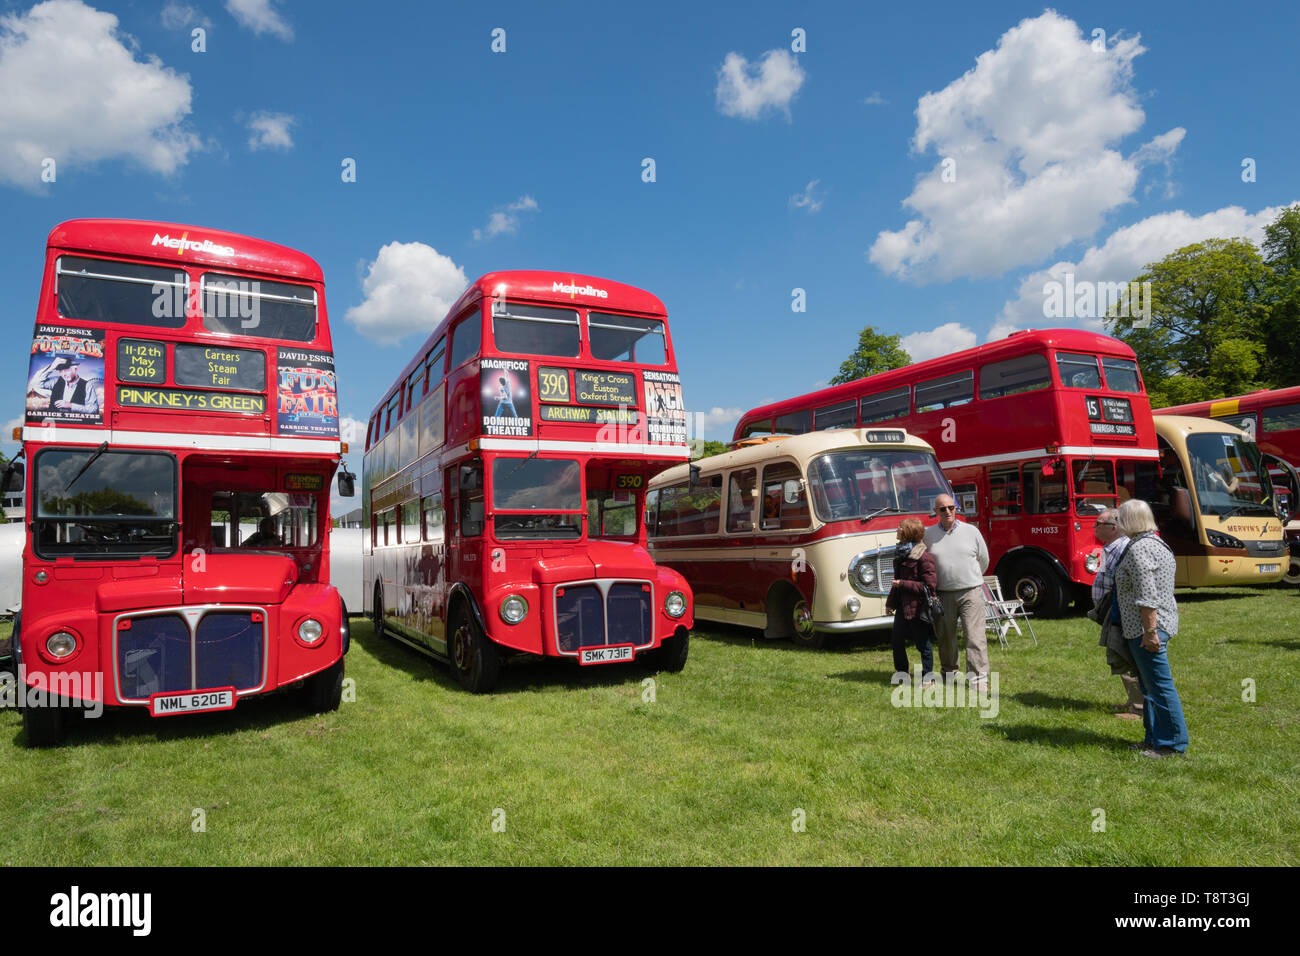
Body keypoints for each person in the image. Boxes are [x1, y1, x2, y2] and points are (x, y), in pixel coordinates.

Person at [1113, 498, 1187, 758]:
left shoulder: (1138, 549)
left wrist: (1150, 632)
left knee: (1159, 687)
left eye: (1119, 518)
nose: (1117, 523)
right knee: (1149, 688)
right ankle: (1154, 738)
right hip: (1152, 625)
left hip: (1146, 629)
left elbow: (1147, 595)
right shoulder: (1157, 543)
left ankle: (1172, 745)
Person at [923, 493, 991, 684]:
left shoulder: (972, 531)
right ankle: (949, 673)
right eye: (942, 509)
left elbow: (983, 559)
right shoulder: (928, 535)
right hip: (942, 594)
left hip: (971, 592)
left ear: (956, 508)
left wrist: (971, 577)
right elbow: (922, 562)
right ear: (935, 511)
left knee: (975, 637)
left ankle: (978, 678)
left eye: (951, 507)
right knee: (945, 637)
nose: (948, 512)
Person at [1090, 508, 1143, 719]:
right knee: (1119, 654)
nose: (1094, 527)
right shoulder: (1109, 548)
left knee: (1123, 654)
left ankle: (1138, 708)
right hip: (1111, 610)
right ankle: (1134, 702)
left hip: (1121, 611)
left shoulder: (1122, 550)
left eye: (1098, 523)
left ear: (1113, 528)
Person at [885, 517, 937, 685]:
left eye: (900, 527)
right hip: (902, 607)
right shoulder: (901, 554)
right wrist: (890, 604)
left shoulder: (923, 556)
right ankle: (902, 675)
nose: (897, 529)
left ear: (908, 532)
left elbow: (929, 587)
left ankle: (928, 678)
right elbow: (896, 582)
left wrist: (903, 584)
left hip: (918, 608)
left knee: (923, 645)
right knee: (896, 642)